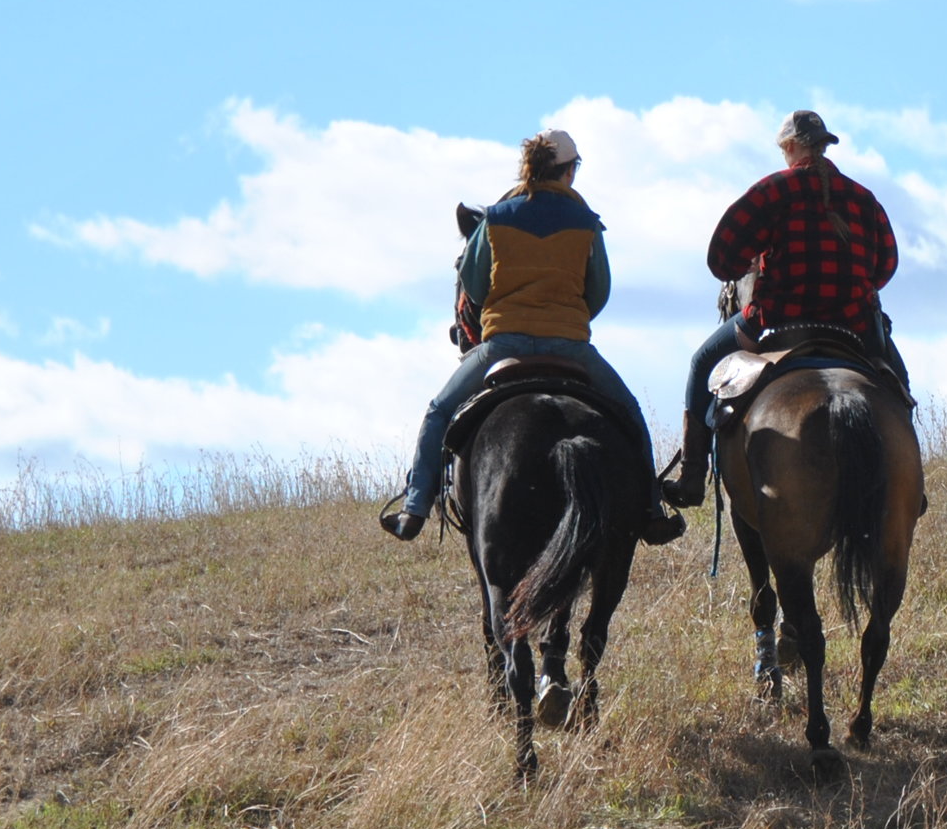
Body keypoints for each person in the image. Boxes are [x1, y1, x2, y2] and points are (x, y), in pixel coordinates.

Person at [388, 129, 686, 545]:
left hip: (501, 344)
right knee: (630, 413)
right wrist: (566, 315)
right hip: (570, 347)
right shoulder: (586, 222)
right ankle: (652, 510)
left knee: (439, 411)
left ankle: (415, 508)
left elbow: (472, 286)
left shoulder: (495, 218)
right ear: (570, 172)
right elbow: (598, 292)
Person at [660, 110, 908, 507]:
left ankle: (692, 478)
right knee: (898, 385)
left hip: (777, 322)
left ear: (789, 146)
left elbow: (721, 259)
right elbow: (886, 266)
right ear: (824, 146)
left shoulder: (771, 191)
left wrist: (748, 264)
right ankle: (910, 484)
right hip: (854, 326)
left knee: (701, 361)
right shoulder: (864, 198)